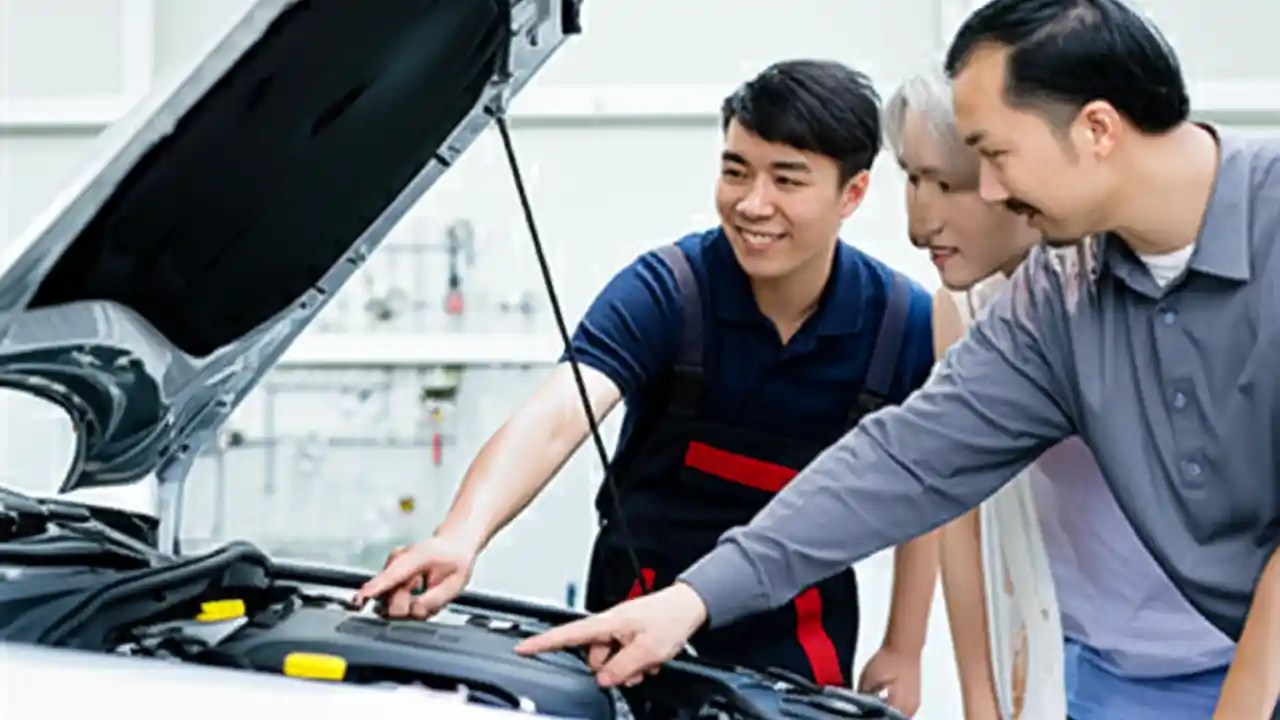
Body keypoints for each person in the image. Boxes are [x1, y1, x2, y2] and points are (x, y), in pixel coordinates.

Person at [513, 2, 1280, 716]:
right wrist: (690, 601)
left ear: (1097, 130)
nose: (989, 189)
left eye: (994, 154)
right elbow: (906, 460)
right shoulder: (1060, 296)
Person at [355, 59, 942, 708]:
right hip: (634, 620)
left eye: (787, 179)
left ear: (853, 193)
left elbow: (923, 488)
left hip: (800, 638)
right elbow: (557, 417)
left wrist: (904, 645)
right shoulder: (669, 290)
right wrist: (460, 534)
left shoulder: (901, 323)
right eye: (735, 170)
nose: (752, 204)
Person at [886, 68, 1236, 719]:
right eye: (911, 177)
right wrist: (980, 697)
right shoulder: (964, 307)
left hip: (1238, 652)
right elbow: (956, 508)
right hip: (1099, 665)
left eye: (949, 183)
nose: (920, 219)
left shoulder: (1154, 285)